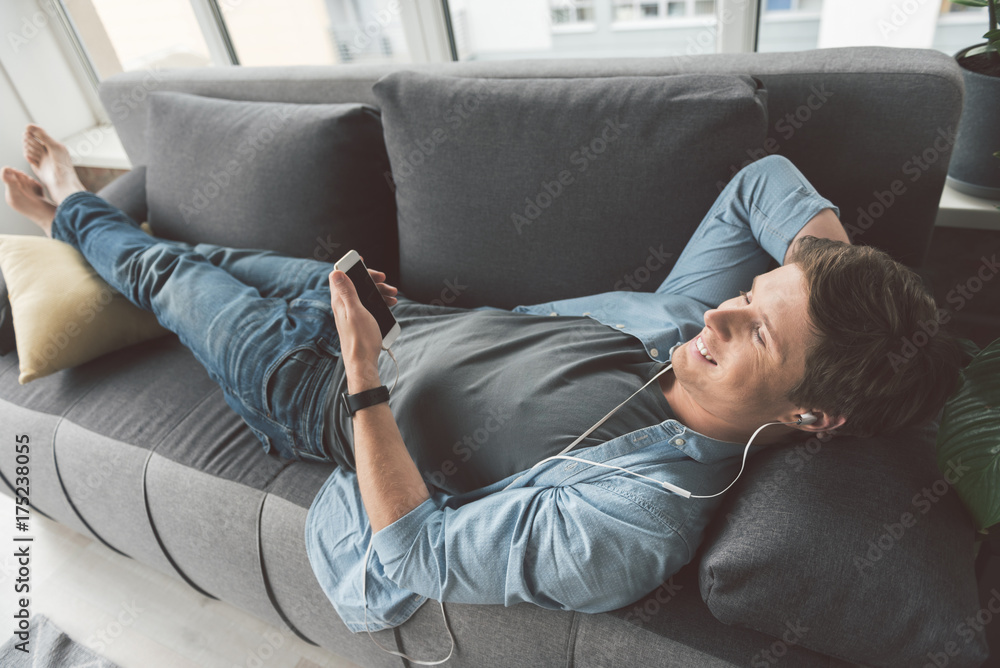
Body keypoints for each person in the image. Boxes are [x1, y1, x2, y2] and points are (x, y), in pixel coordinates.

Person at [3, 125, 965, 652]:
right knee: (203, 255)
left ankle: (62, 203)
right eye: (748, 293)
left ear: (811, 414)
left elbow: (416, 552)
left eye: (755, 329)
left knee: (175, 281)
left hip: (319, 389)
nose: (718, 314)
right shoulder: (684, 327)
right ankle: (86, 234)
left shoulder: (634, 523)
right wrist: (820, 286)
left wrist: (363, 374)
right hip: (396, 311)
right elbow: (760, 178)